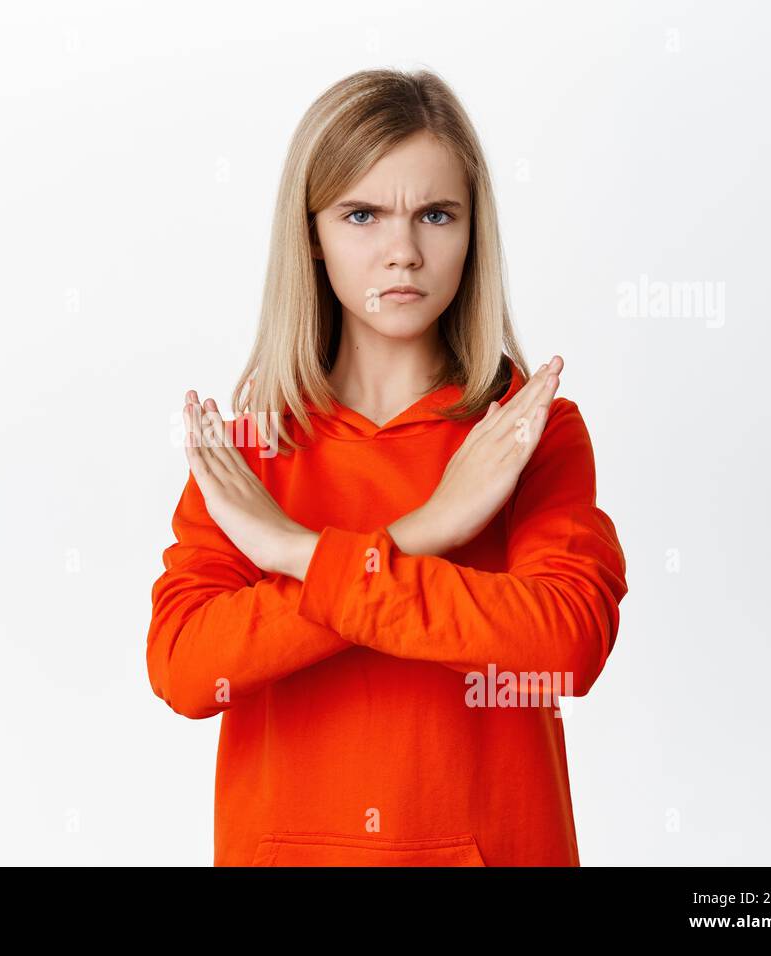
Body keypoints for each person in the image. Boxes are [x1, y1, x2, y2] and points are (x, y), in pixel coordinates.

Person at [146, 68, 628, 866]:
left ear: (474, 233)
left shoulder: (525, 431)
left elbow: (565, 647)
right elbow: (186, 670)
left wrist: (297, 553)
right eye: (362, 215)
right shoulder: (252, 449)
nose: (402, 253)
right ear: (312, 234)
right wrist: (425, 530)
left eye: (436, 215)